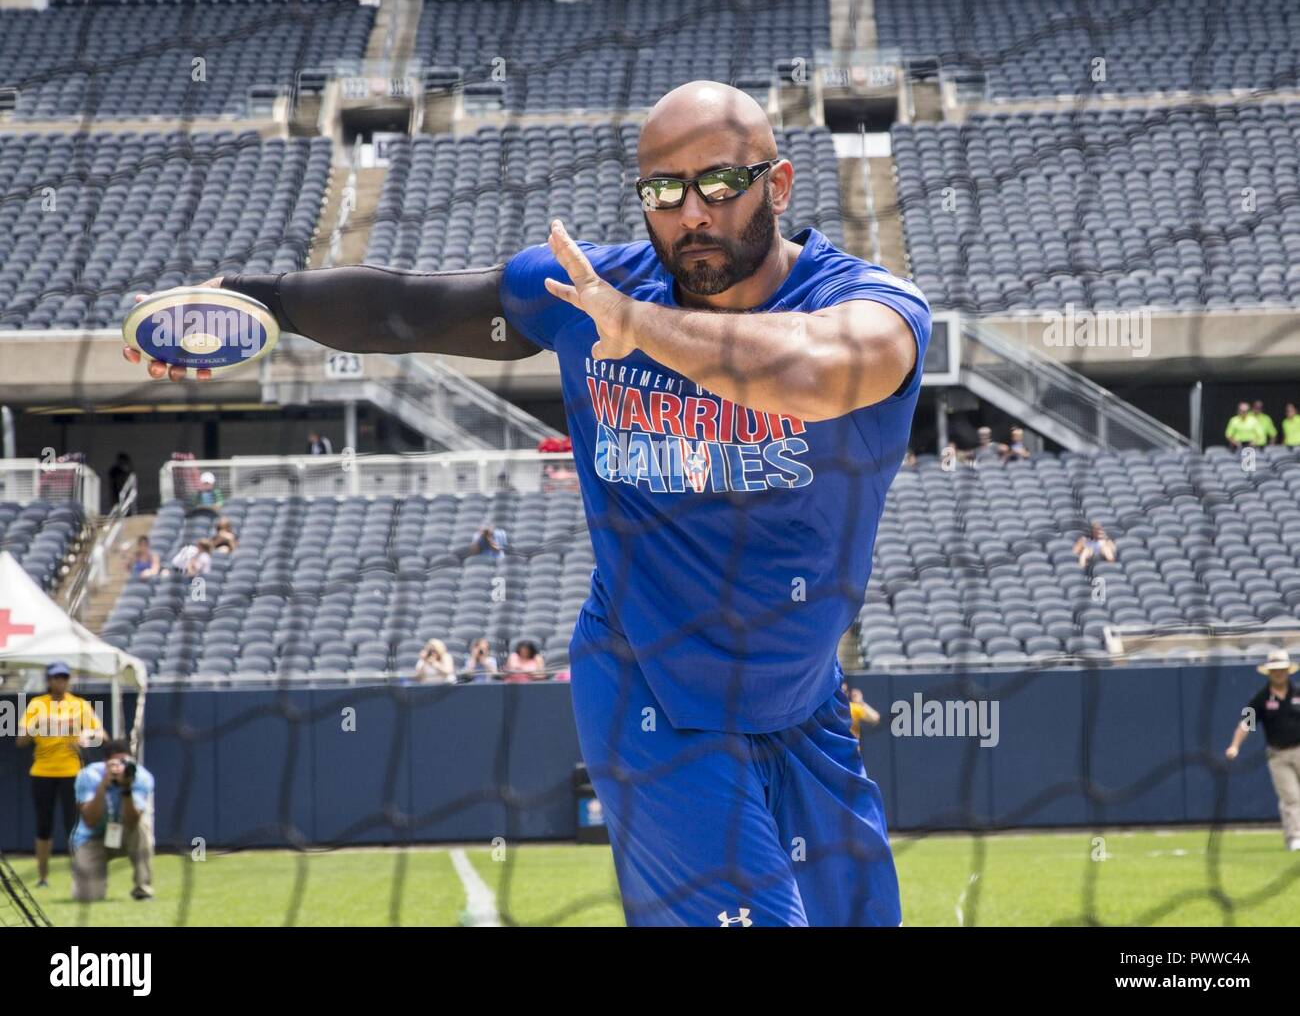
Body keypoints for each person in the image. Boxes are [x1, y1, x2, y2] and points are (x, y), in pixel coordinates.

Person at [123, 79, 927, 927]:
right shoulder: (587, 292)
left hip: (802, 703)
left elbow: (810, 371)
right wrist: (260, 298)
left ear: (781, 183)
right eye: (663, 190)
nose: (691, 211)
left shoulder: (870, 309)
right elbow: (412, 306)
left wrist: (638, 327)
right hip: (650, 682)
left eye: (720, 183)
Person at [16, 662, 102, 888]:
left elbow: (101, 734)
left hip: (72, 773)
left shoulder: (79, 705)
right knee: (43, 825)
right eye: (56, 678)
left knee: (74, 825)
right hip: (42, 773)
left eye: (64, 677)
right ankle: (43, 877)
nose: (60, 681)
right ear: (49, 680)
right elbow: (20, 740)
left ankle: (80, 874)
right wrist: (37, 725)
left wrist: (86, 734)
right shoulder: (37, 704)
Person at [1225, 649, 1300, 851]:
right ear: (1268, 672)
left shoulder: (1298, 692)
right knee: (1291, 797)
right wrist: (1235, 745)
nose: (1279, 673)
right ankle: (1294, 837)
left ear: (1288, 670)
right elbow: (1246, 724)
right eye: (1274, 670)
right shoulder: (1260, 699)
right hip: (1279, 755)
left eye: (1282, 669)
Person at [70, 738, 156, 901]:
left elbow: (132, 821)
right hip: (93, 838)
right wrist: (103, 786)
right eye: (117, 762)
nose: (121, 766)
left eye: (126, 761)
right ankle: (92, 882)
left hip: (127, 834)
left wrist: (126, 789)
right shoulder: (88, 776)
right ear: (106, 762)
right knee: (86, 897)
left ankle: (143, 889)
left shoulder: (142, 777)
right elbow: (89, 820)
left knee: (142, 825)